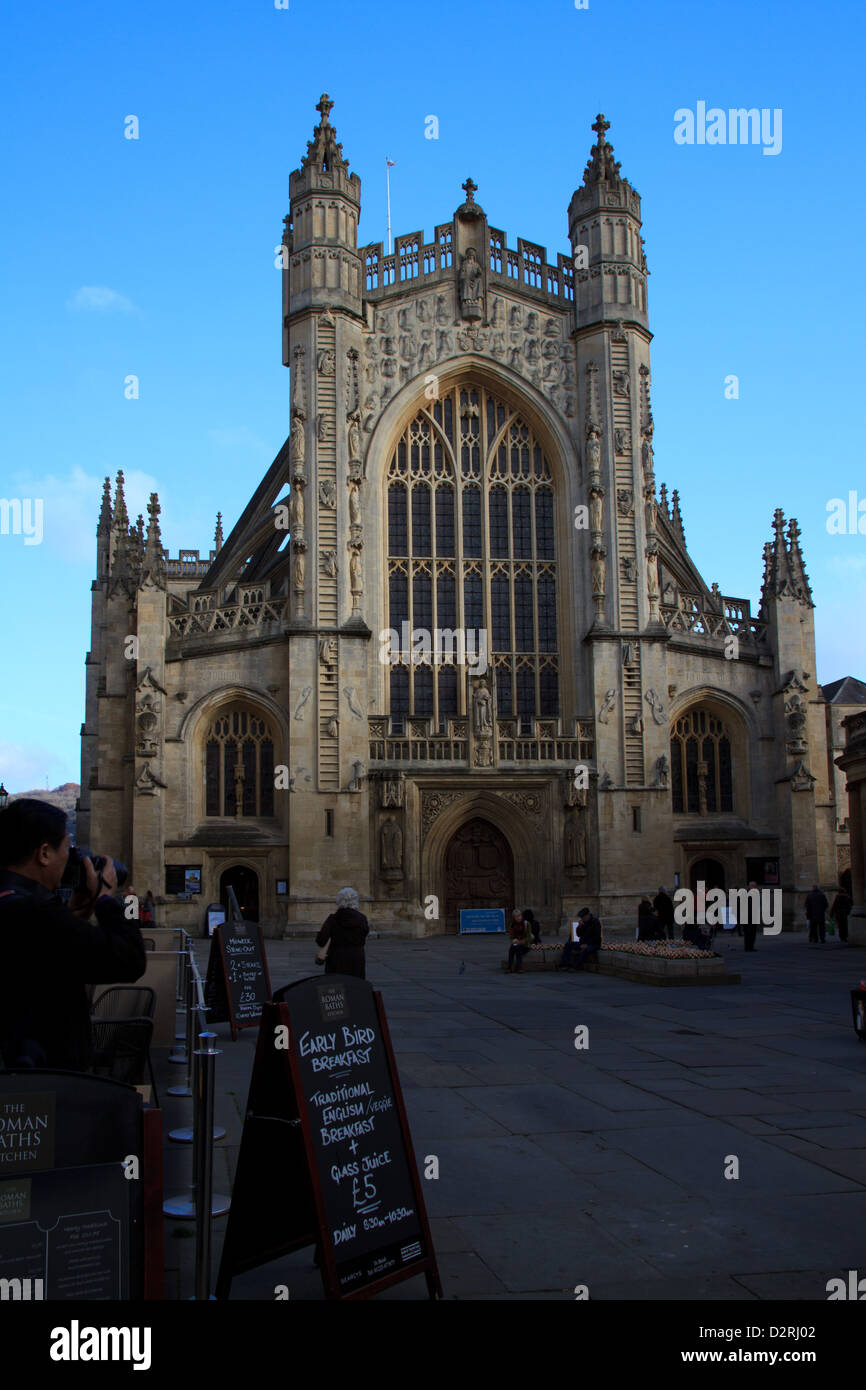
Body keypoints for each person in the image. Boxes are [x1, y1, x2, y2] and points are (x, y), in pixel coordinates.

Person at [0, 798, 145, 1071]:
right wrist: (108, 901)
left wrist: (73, 914)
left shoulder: (18, 903)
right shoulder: (37, 914)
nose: (70, 857)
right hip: (43, 1084)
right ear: (44, 853)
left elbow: (49, 955)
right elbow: (130, 960)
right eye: (67, 847)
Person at [316, 887, 369, 978]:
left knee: (337, 986)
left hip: (336, 957)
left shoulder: (333, 919)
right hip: (356, 957)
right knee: (355, 985)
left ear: (339, 901)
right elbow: (364, 934)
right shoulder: (362, 918)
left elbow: (321, 940)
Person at [557, 907, 602, 972]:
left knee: (585, 950)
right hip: (582, 943)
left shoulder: (595, 922)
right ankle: (565, 964)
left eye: (583, 917)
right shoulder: (583, 923)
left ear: (588, 915)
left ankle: (576, 966)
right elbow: (578, 935)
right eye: (581, 917)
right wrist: (579, 927)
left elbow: (597, 937)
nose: (582, 919)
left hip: (593, 944)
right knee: (568, 944)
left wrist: (587, 944)